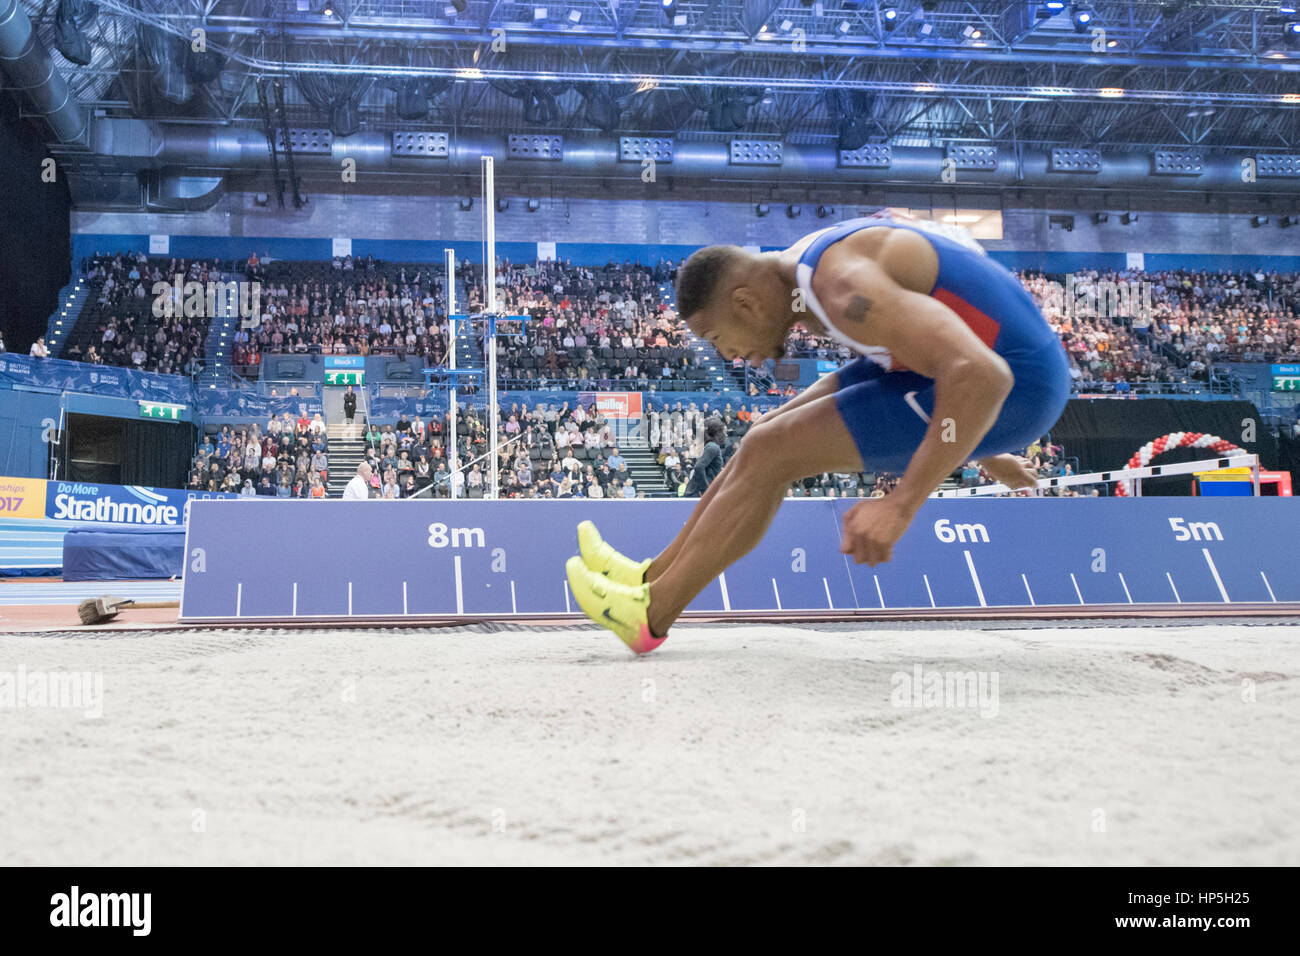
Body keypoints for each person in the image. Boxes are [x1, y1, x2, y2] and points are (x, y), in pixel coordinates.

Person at [565, 211, 1069, 653]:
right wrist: (981, 447)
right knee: (763, 433)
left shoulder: (844, 290)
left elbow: (981, 374)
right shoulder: (804, 269)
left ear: (747, 303)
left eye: (717, 338)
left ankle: (649, 616)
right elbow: (936, 335)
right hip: (965, 371)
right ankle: (650, 578)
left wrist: (902, 503)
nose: (728, 357)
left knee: (774, 451)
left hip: (1014, 386)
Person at [684, 418, 726, 497]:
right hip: (697, 493)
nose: (725, 434)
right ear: (717, 433)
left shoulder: (710, 446)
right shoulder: (713, 447)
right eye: (722, 431)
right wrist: (705, 490)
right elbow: (699, 467)